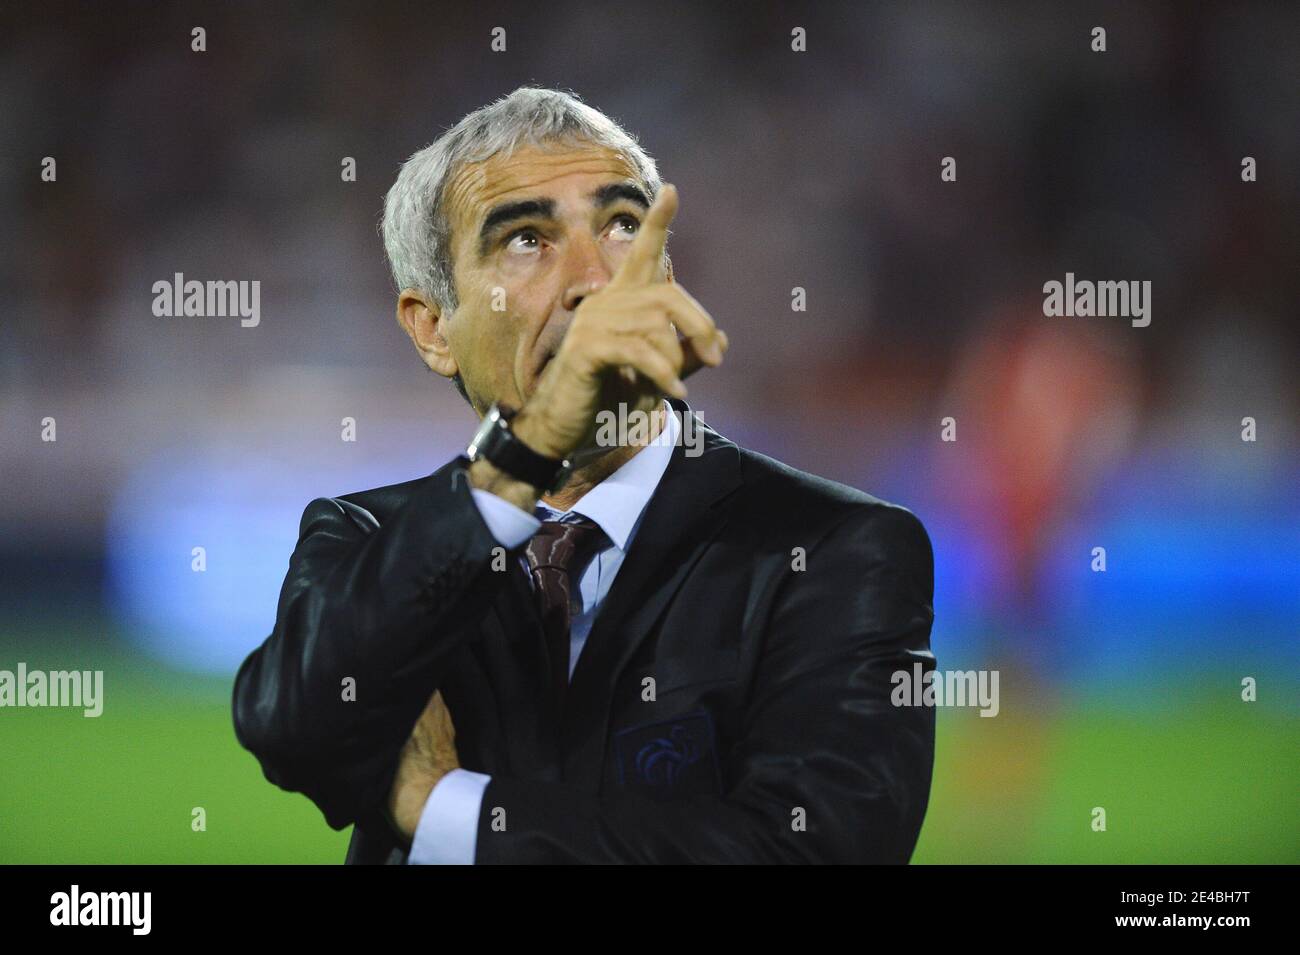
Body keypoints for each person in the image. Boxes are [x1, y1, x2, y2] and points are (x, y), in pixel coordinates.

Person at [232, 86, 937, 864]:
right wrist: (526, 450)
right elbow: (290, 724)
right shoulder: (368, 537)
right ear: (433, 327)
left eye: (624, 226)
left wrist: (441, 809)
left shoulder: (835, 548)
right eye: (527, 240)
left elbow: (817, 854)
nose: (595, 279)